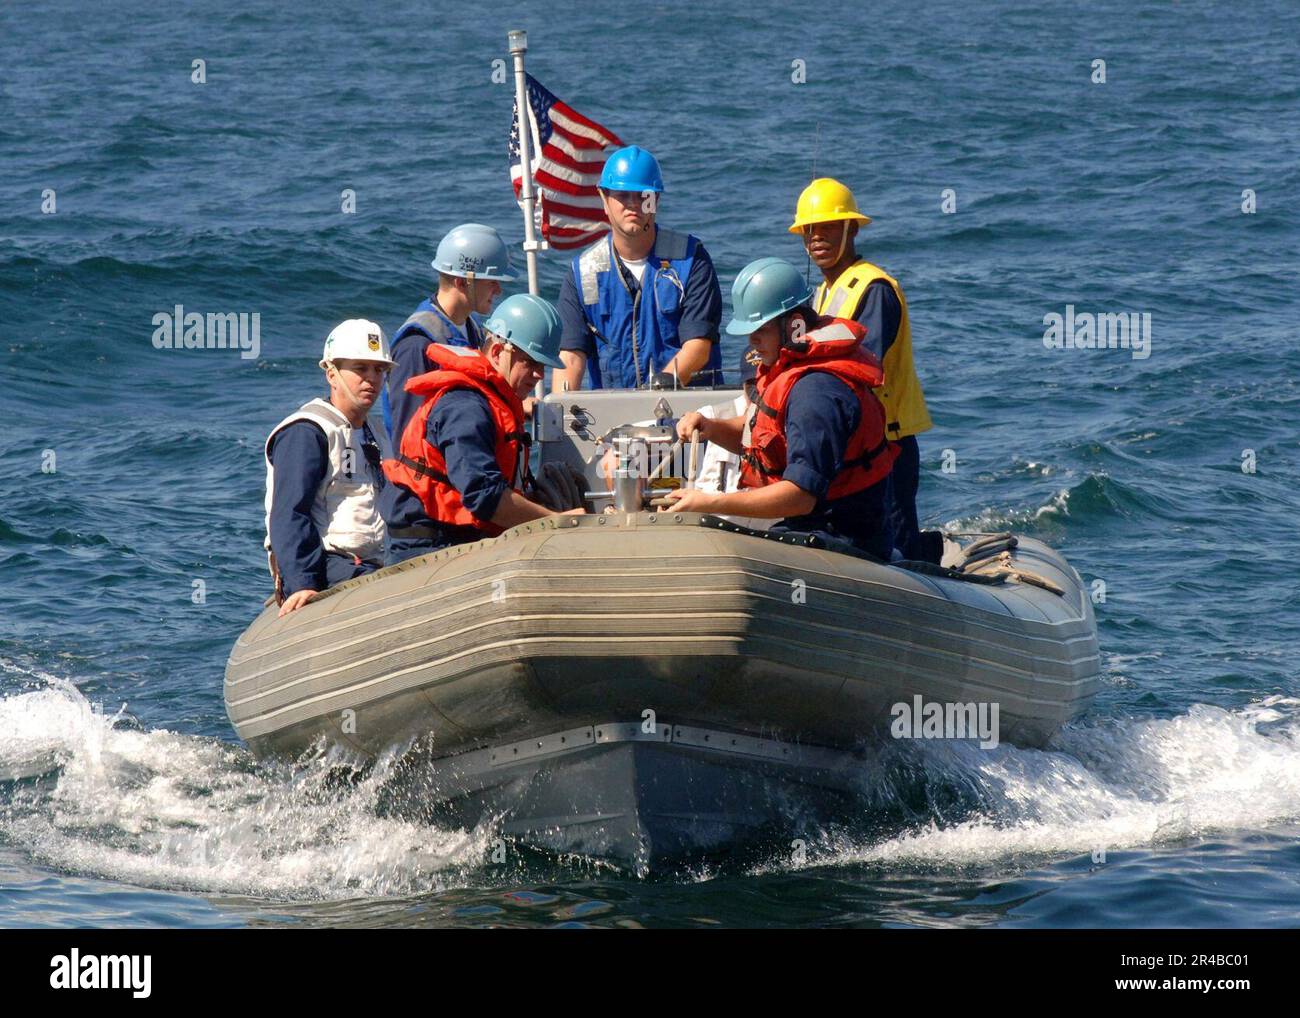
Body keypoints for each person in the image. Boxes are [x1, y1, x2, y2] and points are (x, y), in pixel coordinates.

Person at [665, 258, 898, 560]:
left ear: (795, 325)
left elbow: (801, 496)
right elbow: (760, 435)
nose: (752, 340)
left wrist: (710, 503)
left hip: (845, 539)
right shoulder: (788, 371)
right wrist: (710, 427)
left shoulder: (816, 394)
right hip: (810, 525)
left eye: (760, 328)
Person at [791, 178, 937, 561]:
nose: (816, 238)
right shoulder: (822, 294)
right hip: (852, 443)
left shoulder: (875, 288)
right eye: (809, 230)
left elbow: (862, 366)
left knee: (898, 546)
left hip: (888, 442)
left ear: (851, 229)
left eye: (827, 228)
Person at [381, 293, 585, 561]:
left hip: (458, 536)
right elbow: (485, 497)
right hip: (428, 545)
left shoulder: (489, 401)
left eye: (543, 366)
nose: (539, 375)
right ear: (499, 352)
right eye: (531, 362)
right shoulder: (465, 407)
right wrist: (555, 520)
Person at [553, 145, 723, 391]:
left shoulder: (692, 261)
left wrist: (654, 395)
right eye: (622, 195)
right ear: (604, 198)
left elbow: (697, 347)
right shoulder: (582, 274)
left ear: (657, 200)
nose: (633, 204)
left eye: (644, 196)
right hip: (614, 423)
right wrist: (561, 414)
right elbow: (570, 356)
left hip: (687, 417)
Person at [264, 319, 394, 615]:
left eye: (379, 370)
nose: (371, 379)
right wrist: (302, 582)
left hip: (376, 561)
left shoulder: (379, 433)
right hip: (328, 564)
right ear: (331, 373)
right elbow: (290, 513)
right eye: (360, 368)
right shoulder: (308, 431)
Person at [381, 223, 518, 443]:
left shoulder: (472, 329)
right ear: (463, 282)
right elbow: (406, 436)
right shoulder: (416, 344)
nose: (499, 290)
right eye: (492, 281)